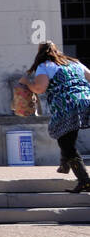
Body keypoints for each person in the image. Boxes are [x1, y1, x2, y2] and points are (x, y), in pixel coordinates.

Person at [24, 40, 90, 191]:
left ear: (40, 54)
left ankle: (84, 180)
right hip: (86, 100)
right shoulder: (75, 63)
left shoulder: (45, 65)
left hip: (66, 105)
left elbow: (40, 88)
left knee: (66, 143)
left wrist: (27, 83)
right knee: (67, 136)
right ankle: (65, 163)